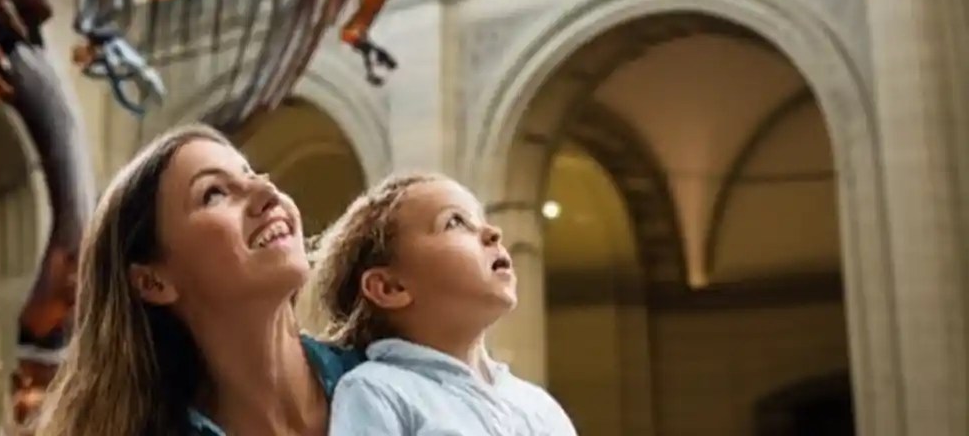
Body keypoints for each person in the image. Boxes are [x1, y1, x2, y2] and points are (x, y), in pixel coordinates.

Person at [36, 123, 362, 436]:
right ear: (153, 282)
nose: (266, 190)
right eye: (214, 194)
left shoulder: (386, 377)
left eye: (253, 174)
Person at [311, 172, 579, 435]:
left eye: (481, 220)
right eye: (455, 222)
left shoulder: (540, 407)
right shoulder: (378, 391)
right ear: (390, 288)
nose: (493, 232)